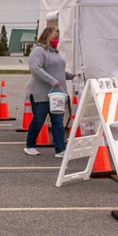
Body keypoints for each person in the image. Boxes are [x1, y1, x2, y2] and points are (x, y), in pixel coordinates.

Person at [24, 26, 73, 157]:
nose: (57, 40)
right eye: (55, 37)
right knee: (38, 120)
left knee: (58, 121)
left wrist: (70, 76)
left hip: (57, 95)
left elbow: (59, 72)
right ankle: (30, 145)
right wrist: (52, 81)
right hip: (41, 94)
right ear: (48, 37)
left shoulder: (55, 52)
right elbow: (36, 68)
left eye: (58, 38)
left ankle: (60, 149)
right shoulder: (38, 51)